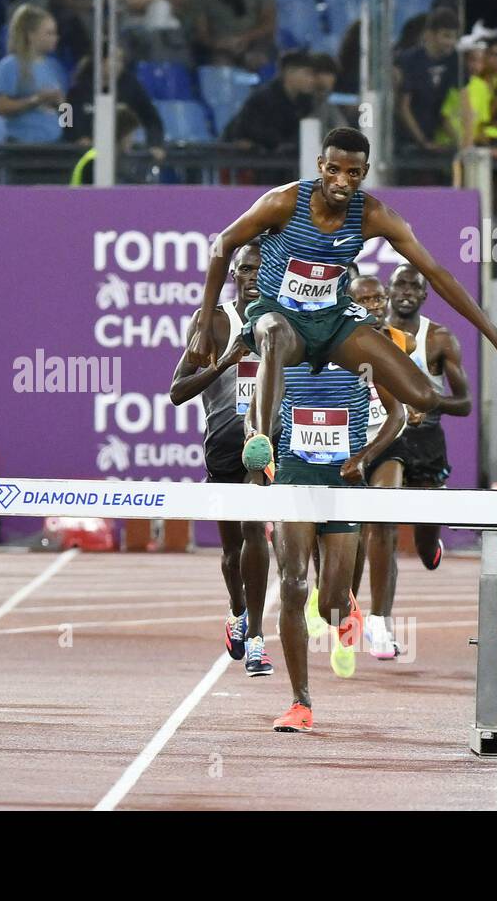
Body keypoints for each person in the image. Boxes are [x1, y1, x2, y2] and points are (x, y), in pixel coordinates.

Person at [185, 126, 497, 495]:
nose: (341, 182)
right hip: (279, 313)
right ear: (320, 166)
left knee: (423, 397)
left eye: (352, 173)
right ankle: (260, 444)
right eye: (333, 170)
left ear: (364, 174)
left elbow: (437, 274)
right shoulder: (284, 201)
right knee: (273, 335)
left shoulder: (375, 216)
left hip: (332, 321)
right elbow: (223, 244)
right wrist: (205, 322)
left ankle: (264, 434)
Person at [262, 325, 407, 730]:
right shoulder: (284, 346)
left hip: (344, 480)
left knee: (330, 606)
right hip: (295, 476)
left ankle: (345, 608)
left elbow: (398, 414)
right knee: (292, 585)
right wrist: (258, 438)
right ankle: (300, 703)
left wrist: (365, 455)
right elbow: (261, 402)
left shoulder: (363, 351)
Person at [169, 241, 275, 678]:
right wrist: (226, 361)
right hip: (223, 446)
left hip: (265, 446)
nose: (253, 277)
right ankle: (238, 612)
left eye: (261, 270)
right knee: (232, 550)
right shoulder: (211, 322)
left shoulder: (282, 323)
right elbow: (178, 391)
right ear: (233, 275)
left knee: (257, 532)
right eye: (245, 270)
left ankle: (257, 639)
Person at [379, 263, 473, 572]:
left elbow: (464, 403)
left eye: (415, 286)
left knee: (425, 546)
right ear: (388, 290)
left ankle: (431, 545)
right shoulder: (370, 334)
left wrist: (429, 402)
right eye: (400, 284)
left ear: (425, 295)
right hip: (381, 435)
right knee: (381, 522)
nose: (407, 291)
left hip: (425, 441)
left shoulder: (439, 339)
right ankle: (376, 606)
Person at [345, 274, 415, 660]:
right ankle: (343, 606)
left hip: (386, 441)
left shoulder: (403, 341)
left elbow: (408, 398)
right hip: (347, 446)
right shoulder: (338, 340)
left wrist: (417, 403)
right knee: (347, 536)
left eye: (377, 298)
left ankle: (380, 620)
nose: (373, 305)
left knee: (385, 521)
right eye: (364, 299)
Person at [62, 43, 165, 158]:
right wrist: (77, 138)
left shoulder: (131, 85)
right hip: (85, 155)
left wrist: (155, 144)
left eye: (121, 60)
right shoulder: (78, 88)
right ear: (101, 61)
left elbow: (152, 118)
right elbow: (65, 117)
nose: (118, 65)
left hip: (121, 156)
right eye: (114, 59)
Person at [0, 3, 68, 143]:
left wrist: (62, 105)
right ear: (31, 35)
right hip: (22, 146)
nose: (55, 38)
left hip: (54, 144)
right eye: (49, 33)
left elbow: (66, 116)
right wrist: (36, 100)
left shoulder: (54, 67)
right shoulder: (10, 65)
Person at [221, 50, 314, 155]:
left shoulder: (306, 102)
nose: (311, 80)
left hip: (279, 159)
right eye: (307, 73)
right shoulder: (263, 98)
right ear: (289, 73)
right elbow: (246, 130)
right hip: (245, 159)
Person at [393, 7, 459, 151]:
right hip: (405, 141)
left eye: (454, 37)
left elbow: (445, 109)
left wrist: (461, 143)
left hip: (433, 139)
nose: (451, 42)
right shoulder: (409, 60)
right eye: (446, 36)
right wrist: (423, 142)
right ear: (429, 35)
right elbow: (403, 107)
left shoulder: (453, 60)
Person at [68, 103, 142, 185]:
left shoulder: (115, 160)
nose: (132, 140)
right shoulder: (94, 163)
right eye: (130, 135)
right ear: (121, 134)